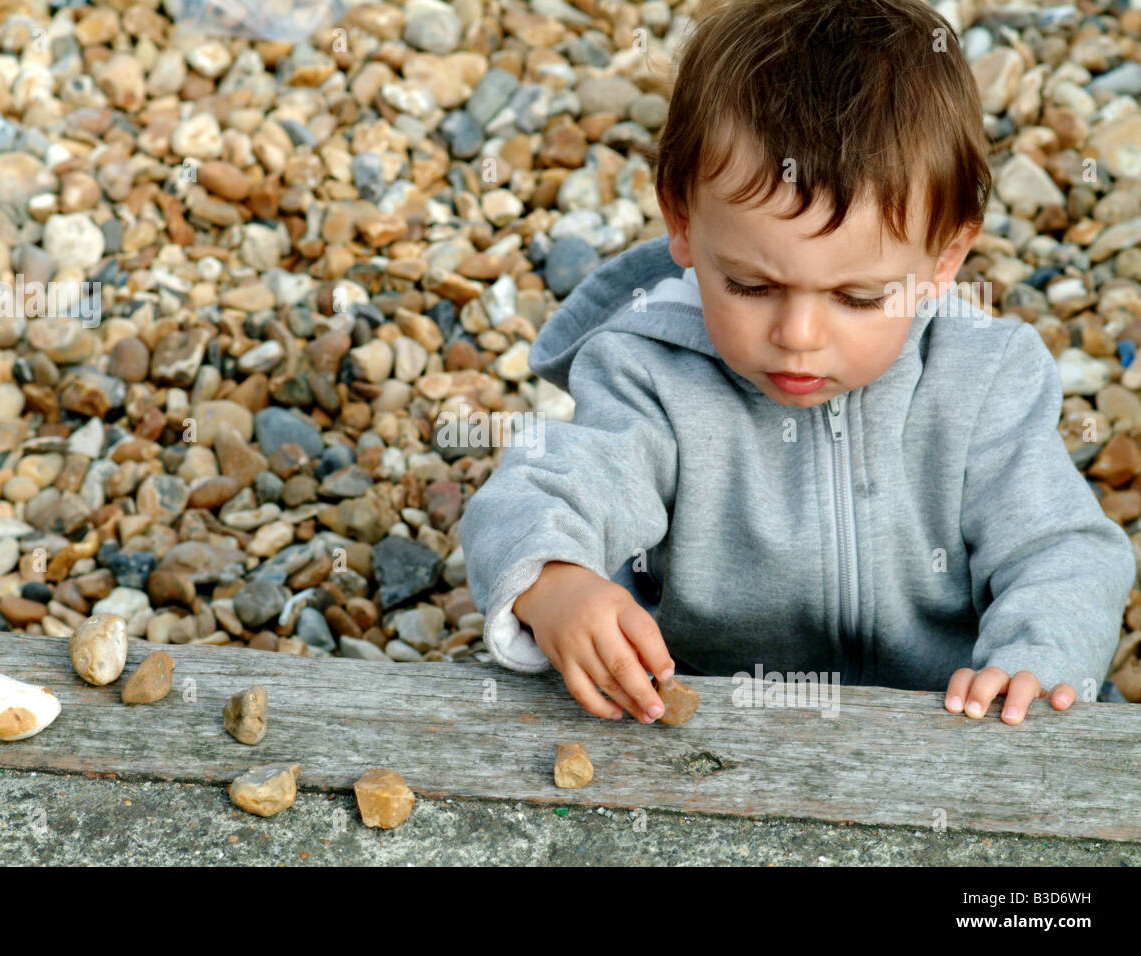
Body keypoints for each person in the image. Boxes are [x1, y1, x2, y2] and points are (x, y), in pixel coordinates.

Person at [458, 0, 1135, 727]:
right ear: (681, 220)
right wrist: (555, 581)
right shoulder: (650, 372)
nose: (799, 334)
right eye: (751, 285)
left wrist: (1034, 657)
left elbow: (1063, 551)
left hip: (950, 731)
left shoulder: (982, 376)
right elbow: (538, 489)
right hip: (708, 739)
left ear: (945, 258)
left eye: (859, 296)